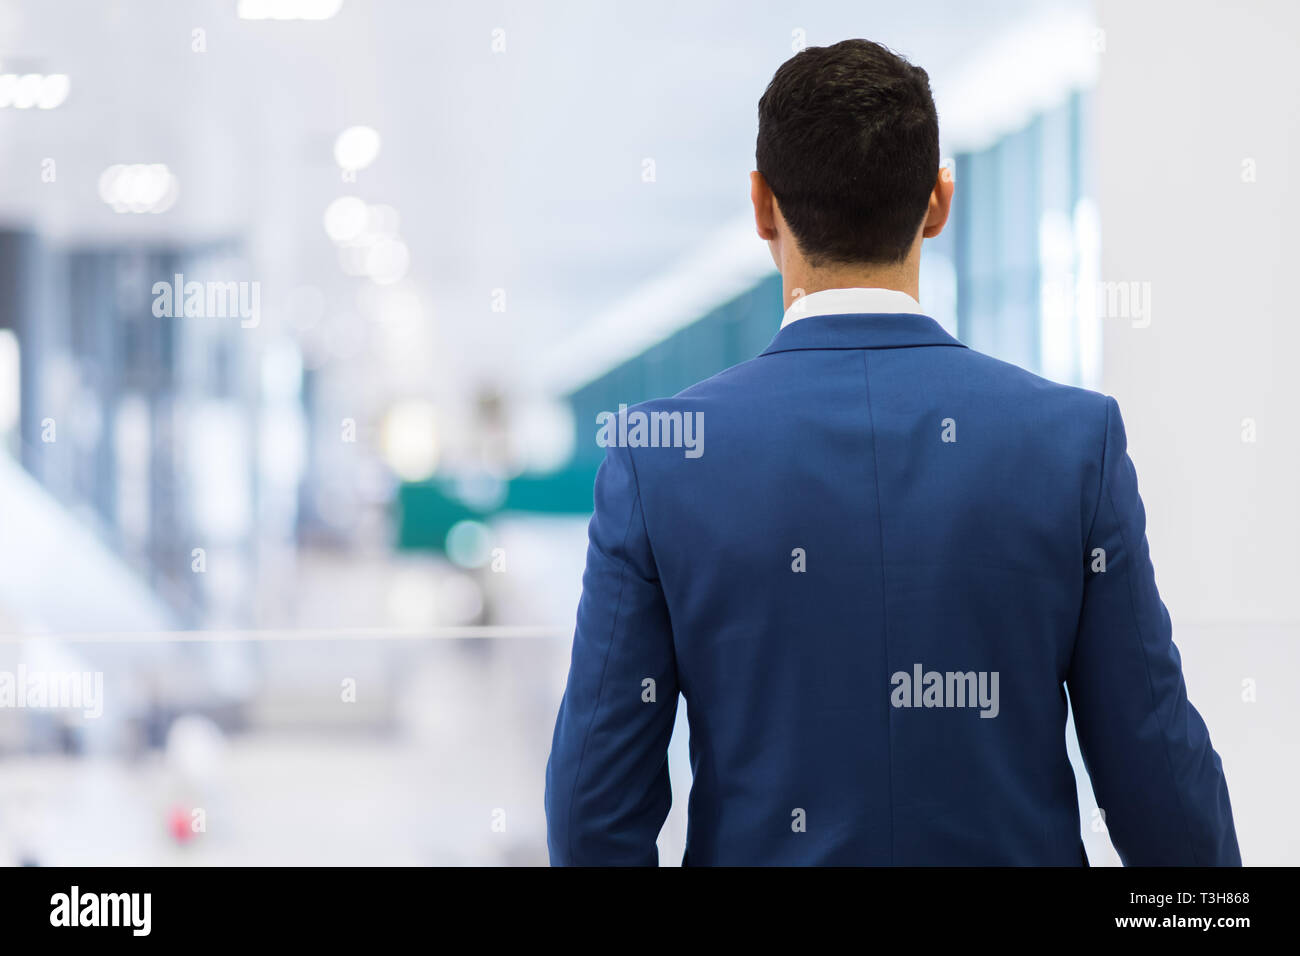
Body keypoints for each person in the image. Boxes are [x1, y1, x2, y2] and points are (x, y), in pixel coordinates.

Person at [544, 38, 1240, 866]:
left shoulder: (659, 463)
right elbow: (1160, 783)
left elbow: (593, 810)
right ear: (939, 203)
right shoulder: (1070, 443)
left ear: (762, 207)